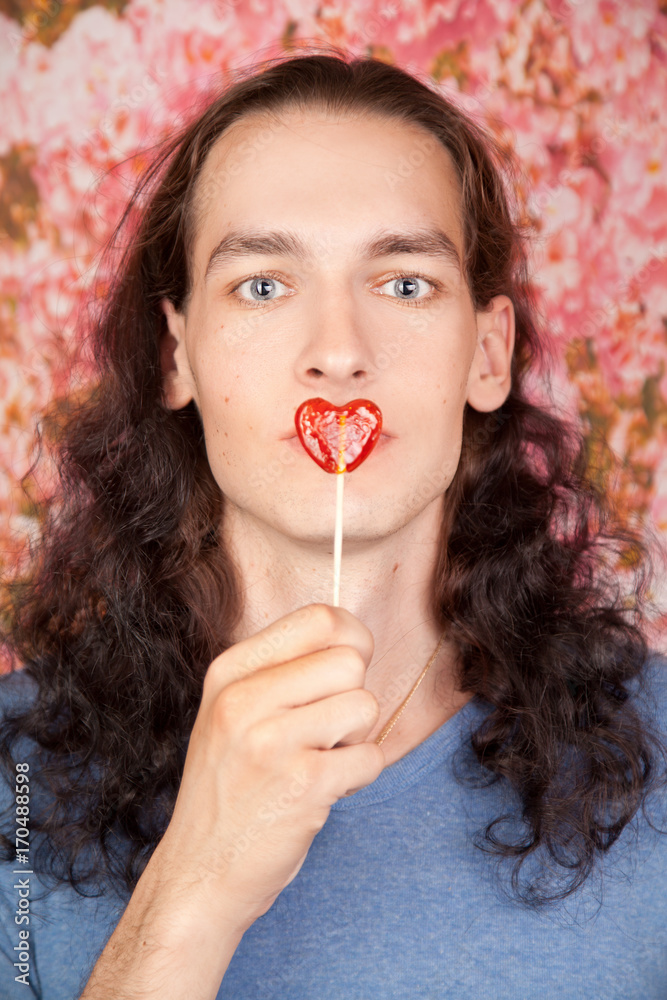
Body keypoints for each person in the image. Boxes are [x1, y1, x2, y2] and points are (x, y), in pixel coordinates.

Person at [0, 49, 666, 1000]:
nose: (339, 353)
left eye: (403, 284)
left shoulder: (659, 749)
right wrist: (190, 894)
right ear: (176, 356)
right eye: (264, 286)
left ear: (486, 356)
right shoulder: (13, 783)